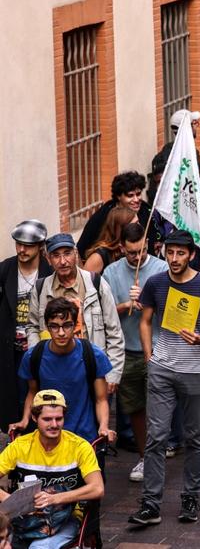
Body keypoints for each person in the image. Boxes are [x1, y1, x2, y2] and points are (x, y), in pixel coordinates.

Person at [129, 232, 200, 526]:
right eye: (170, 252)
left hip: (195, 370)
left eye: (180, 253)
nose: (174, 258)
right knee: (156, 437)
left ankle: (191, 497)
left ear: (191, 255)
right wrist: (149, 356)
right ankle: (151, 504)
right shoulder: (155, 283)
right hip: (162, 369)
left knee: (195, 437)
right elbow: (145, 320)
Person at [101, 223, 168, 482]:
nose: (137, 257)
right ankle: (144, 457)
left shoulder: (161, 268)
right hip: (126, 351)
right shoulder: (111, 272)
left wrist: (148, 300)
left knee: (158, 409)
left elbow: (170, 311)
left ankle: (157, 455)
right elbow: (104, 314)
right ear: (121, 249)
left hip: (157, 348)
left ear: (147, 245)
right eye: (131, 253)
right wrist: (125, 304)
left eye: (141, 251)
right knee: (135, 409)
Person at [0, 390, 104, 549]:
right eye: (47, 419)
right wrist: (8, 498)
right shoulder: (20, 446)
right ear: (34, 418)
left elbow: (97, 488)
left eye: (59, 419)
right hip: (24, 518)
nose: (54, 425)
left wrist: (55, 499)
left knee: (39, 547)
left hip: (66, 518)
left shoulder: (79, 447)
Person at [27, 234, 123, 394]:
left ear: (76, 254)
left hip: (92, 370)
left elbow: (114, 332)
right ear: (48, 259)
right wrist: (40, 359)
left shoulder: (96, 283)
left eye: (67, 253)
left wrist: (113, 373)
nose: (63, 261)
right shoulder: (40, 288)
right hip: (54, 372)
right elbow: (32, 327)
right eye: (56, 255)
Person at [11, 297, 114, 448]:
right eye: (54, 326)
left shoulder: (93, 355)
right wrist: (25, 420)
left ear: (75, 326)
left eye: (67, 326)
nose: (61, 333)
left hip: (84, 439)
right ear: (47, 327)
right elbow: (32, 393)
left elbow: (101, 399)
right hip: (47, 438)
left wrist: (103, 426)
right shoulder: (34, 356)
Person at [0, 220, 52, 428]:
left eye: (28, 245)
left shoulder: (49, 271)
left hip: (39, 347)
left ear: (39, 246)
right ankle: (16, 435)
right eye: (18, 244)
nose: (22, 249)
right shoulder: (6, 269)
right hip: (10, 349)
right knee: (12, 397)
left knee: (40, 396)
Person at [77, 171, 150, 258]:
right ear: (119, 196)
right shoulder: (102, 216)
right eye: (130, 196)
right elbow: (82, 247)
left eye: (138, 194)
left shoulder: (145, 210)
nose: (136, 200)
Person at [81, 206, 136, 273]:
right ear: (120, 229)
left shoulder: (136, 247)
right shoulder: (99, 256)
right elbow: (85, 279)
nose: (139, 226)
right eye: (135, 224)